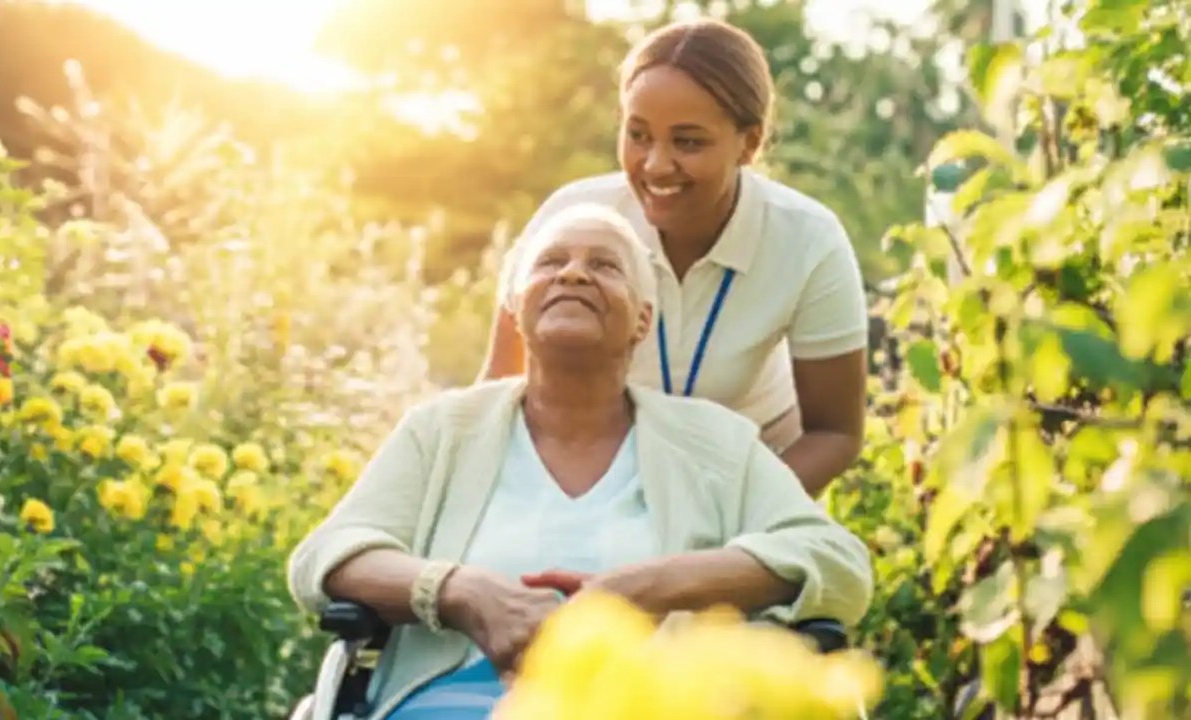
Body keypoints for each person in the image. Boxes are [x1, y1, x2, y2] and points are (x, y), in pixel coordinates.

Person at [288, 204, 873, 720]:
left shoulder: (714, 442)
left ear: (643, 320)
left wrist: (648, 588)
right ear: (516, 310)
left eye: (605, 265)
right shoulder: (443, 430)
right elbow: (329, 553)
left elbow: (836, 561)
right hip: (453, 704)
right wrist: (463, 593)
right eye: (551, 263)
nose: (573, 272)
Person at [481, 19, 869, 497]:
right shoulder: (572, 218)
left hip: (750, 473)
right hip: (595, 475)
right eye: (638, 135)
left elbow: (835, 433)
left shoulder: (808, 240)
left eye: (688, 142)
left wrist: (742, 515)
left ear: (748, 143)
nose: (656, 164)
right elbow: (496, 392)